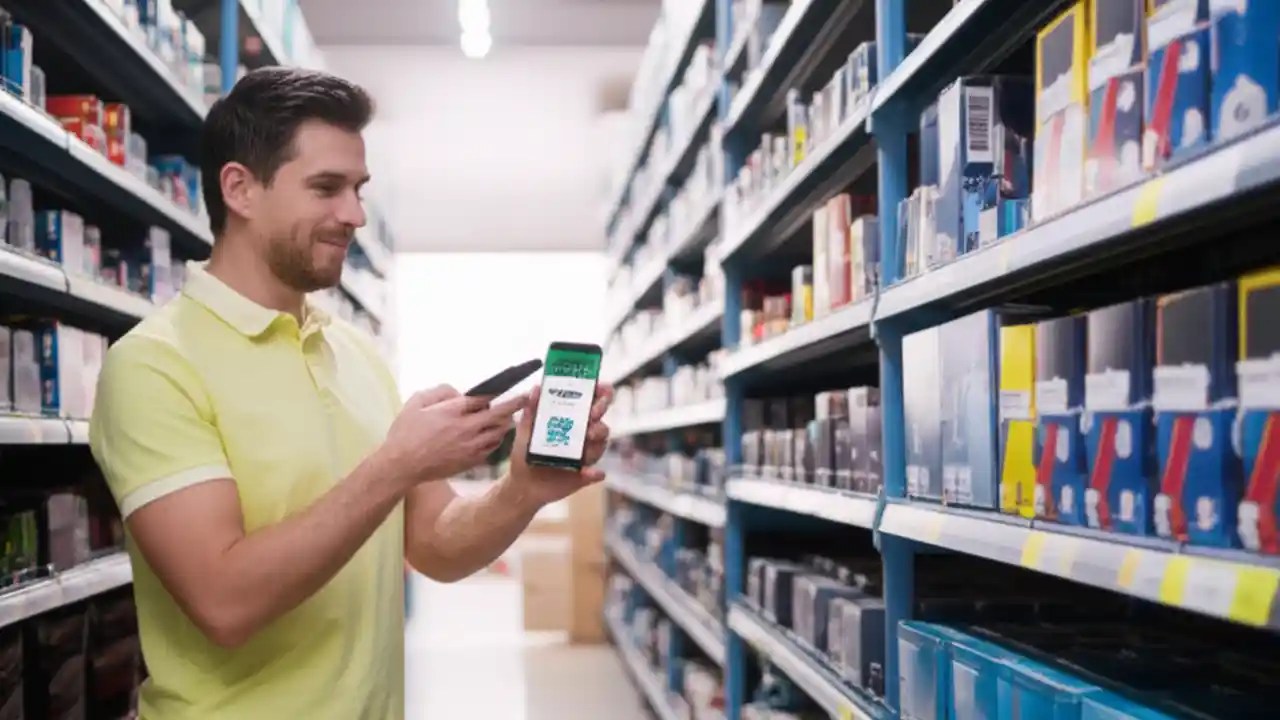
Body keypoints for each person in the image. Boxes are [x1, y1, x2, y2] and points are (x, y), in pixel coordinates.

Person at [88, 66, 613, 719]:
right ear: (240, 188)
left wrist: (522, 488)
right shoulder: (153, 367)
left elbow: (437, 547)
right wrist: (397, 464)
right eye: (326, 188)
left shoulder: (355, 353)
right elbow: (223, 602)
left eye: (359, 189)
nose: (355, 215)